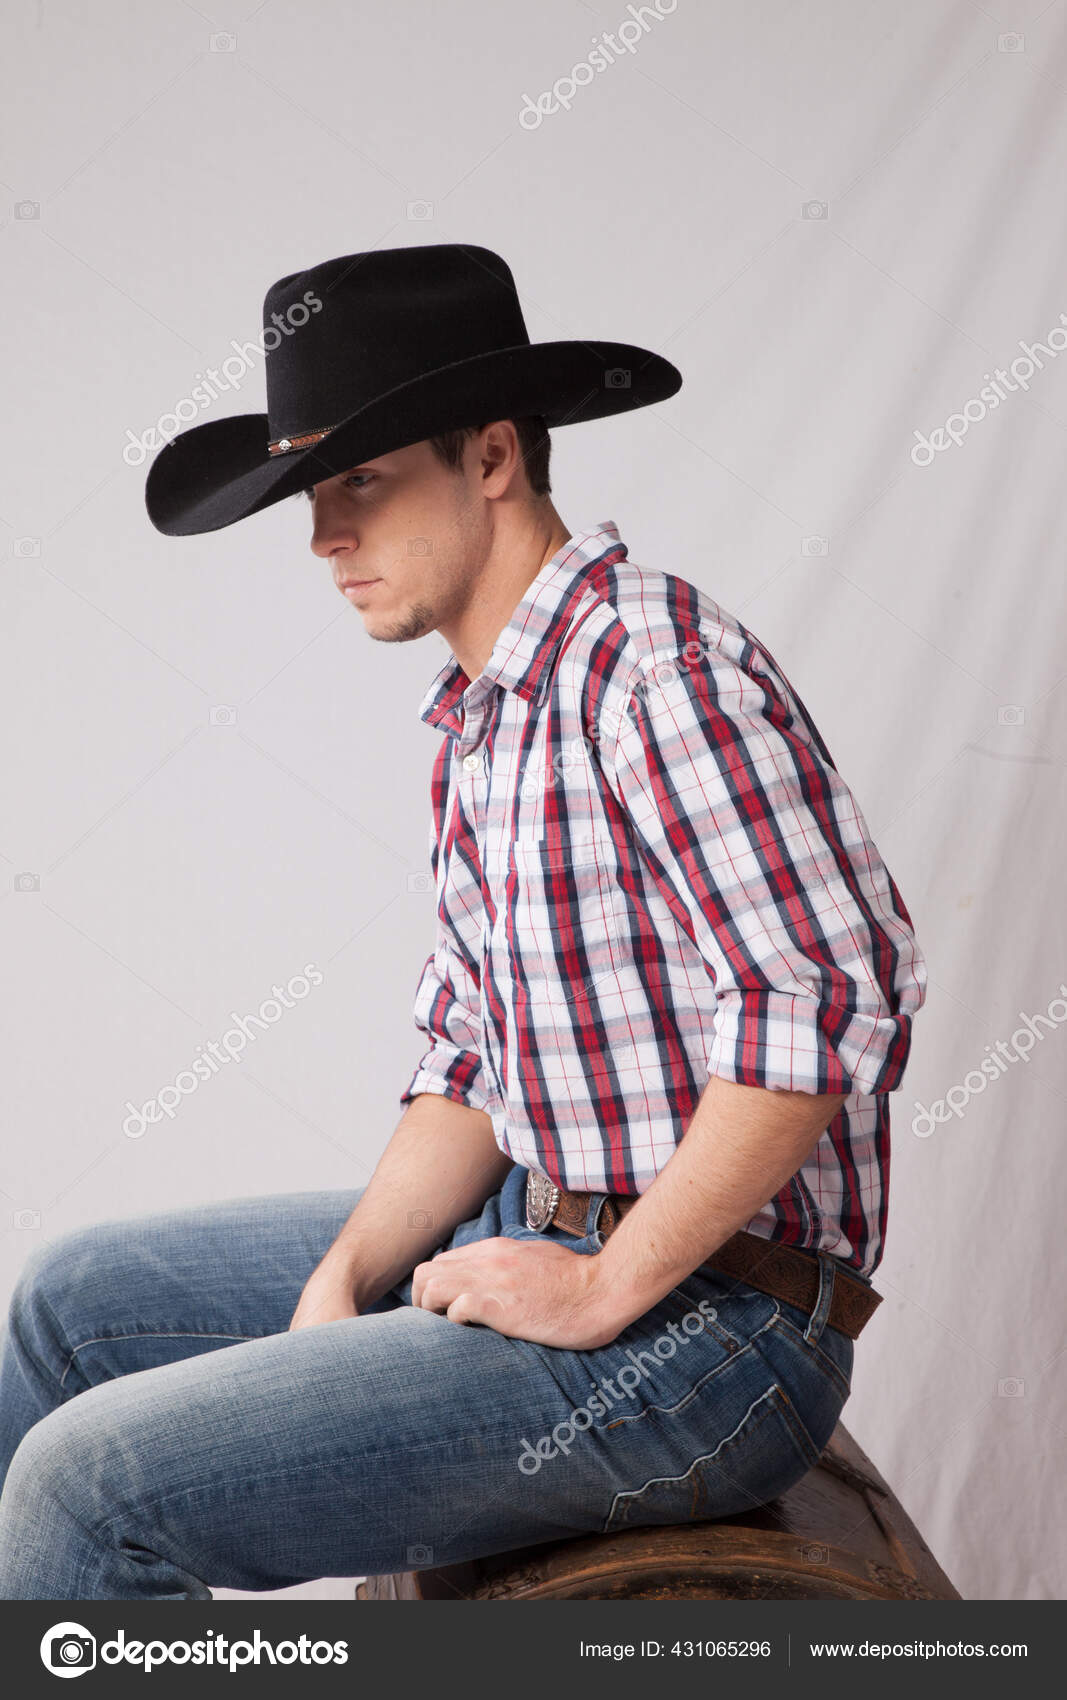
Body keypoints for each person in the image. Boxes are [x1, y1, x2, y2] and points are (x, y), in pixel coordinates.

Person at [0, 244, 926, 1599]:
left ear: (492, 456)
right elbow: (471, 1071)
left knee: (85, 1494)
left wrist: (602, 1285)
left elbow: (821, 1004)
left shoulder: (652, 671)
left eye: (361, 484)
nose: (323, 539)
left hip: (717, 1335)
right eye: (313, 495)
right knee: (66, 1306)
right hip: (535, 1212)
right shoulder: (486, 724)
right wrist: (344, 1279)